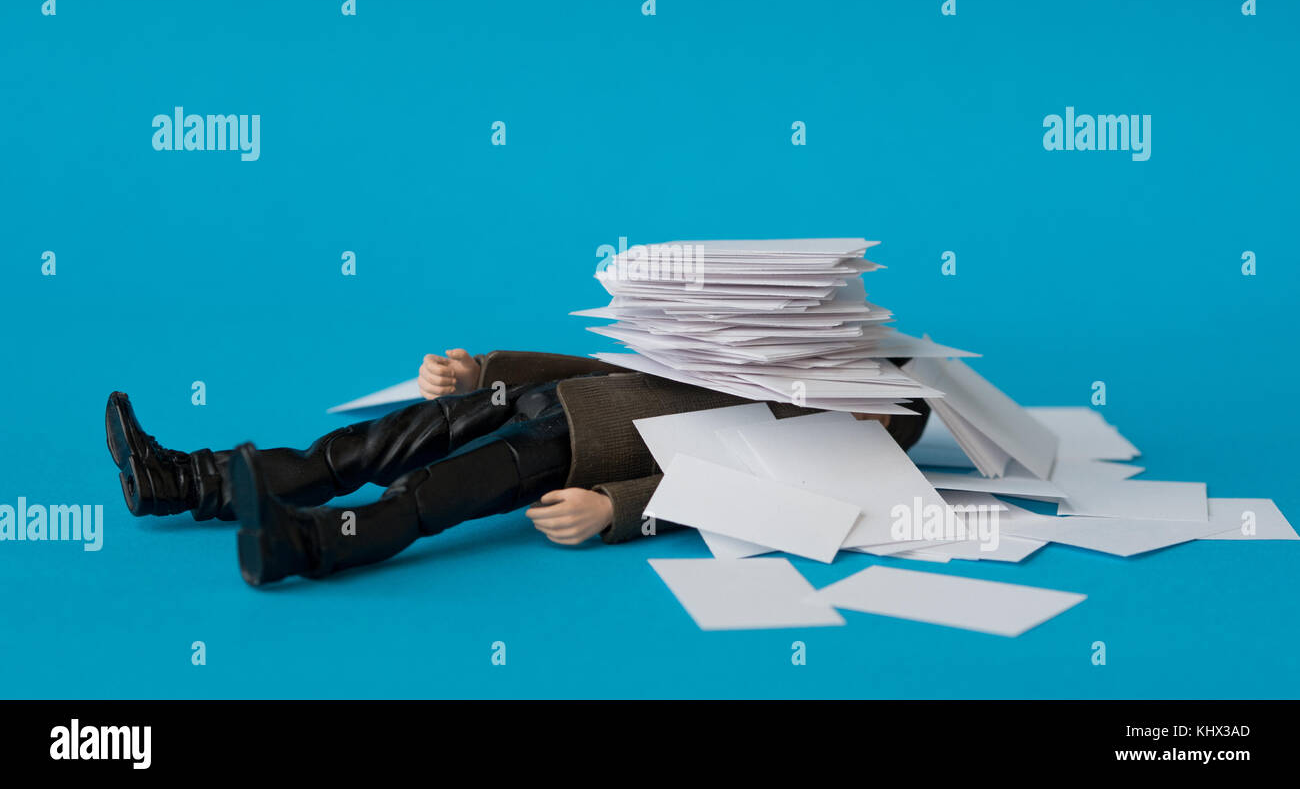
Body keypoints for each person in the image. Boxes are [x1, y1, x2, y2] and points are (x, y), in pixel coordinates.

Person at [105, 348, 931, 586]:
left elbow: (727, 495)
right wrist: (489, 368)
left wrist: (616, 510)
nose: (853, 399)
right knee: (368, 443)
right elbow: (610, 360)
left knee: (430, 495)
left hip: (574, 451)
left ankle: (306, 544)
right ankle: (185, 480)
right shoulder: (749, 356)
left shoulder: (808, 454)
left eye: (876, 408)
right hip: (538, 396)